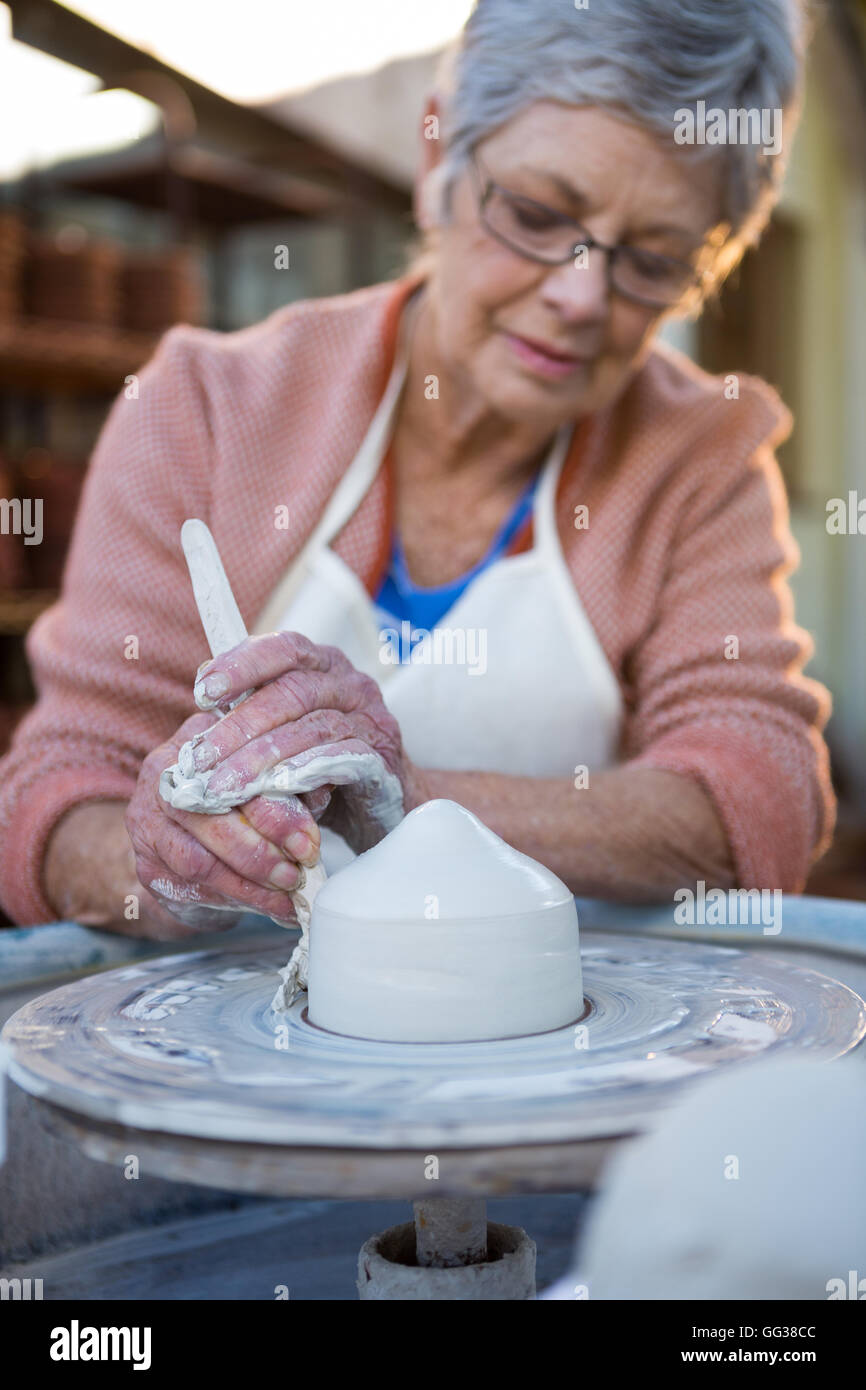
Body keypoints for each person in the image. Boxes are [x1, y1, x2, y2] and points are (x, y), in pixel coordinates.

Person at [0, 0, 833, 938]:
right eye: (536, 213)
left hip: (561, 1049)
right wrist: (161, 861)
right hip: (250, 1053)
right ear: (439, 159)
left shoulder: (697, 456)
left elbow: (759, 791)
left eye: (655, 259)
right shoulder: (205, 410)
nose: (581, 294)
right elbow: (60, 786)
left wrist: (402, 796)